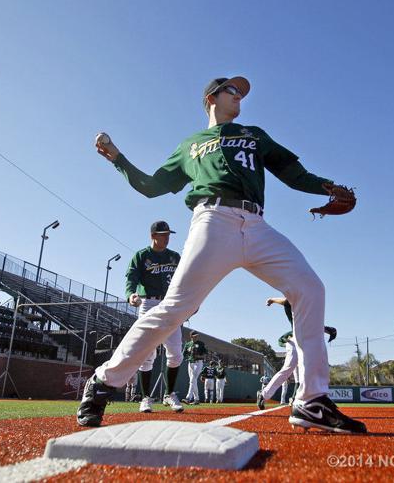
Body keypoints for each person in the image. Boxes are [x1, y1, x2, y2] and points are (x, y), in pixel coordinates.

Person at [78, 75, 366, 434]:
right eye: (234, 91)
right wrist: (118, 159)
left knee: (310, 288)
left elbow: (293, 173)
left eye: (242, 93)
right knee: (175, 308)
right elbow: (152, 187)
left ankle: (311, 401)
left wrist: (325, 186)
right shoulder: (191, 145)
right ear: (212, 97)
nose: (240, 96)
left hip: (258, 226)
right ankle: (103, 381)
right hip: (212, 220)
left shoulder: (253, 134)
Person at [126, 220, 185, 413]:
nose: (167, 238)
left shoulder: (175, 257)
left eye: (168, 234)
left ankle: (169, 394)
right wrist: (130, 294)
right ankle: (145, 398)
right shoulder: (142, 255)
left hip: (170, 304)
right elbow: (131, 277)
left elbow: (185, 279)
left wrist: (191, 300)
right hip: (148, 303)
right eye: (163, 234)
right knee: (147, 353)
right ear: (153, 236)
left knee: (176, 354)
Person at [258, 297, 337, 410]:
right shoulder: (294, 302)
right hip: (294, 340)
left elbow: (314, 325)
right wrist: (272, 300)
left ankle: (317, 399)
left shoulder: (309, 308)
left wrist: (328, 330)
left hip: (306, 341)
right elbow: (285, 300)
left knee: (316, 367)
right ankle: (263, 395)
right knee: (288, 369)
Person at [182, 331, 207, 404]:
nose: (196, 337)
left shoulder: (201, 344)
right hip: (190, 363)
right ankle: (197, 399)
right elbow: (184, 354)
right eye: (194, 336)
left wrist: (199, 356)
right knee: (193, 381)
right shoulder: (188, 344)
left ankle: (188, 398)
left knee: (192, 380)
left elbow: (205, 355)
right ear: (191, 336)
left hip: (198, 363)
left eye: (197, 336)